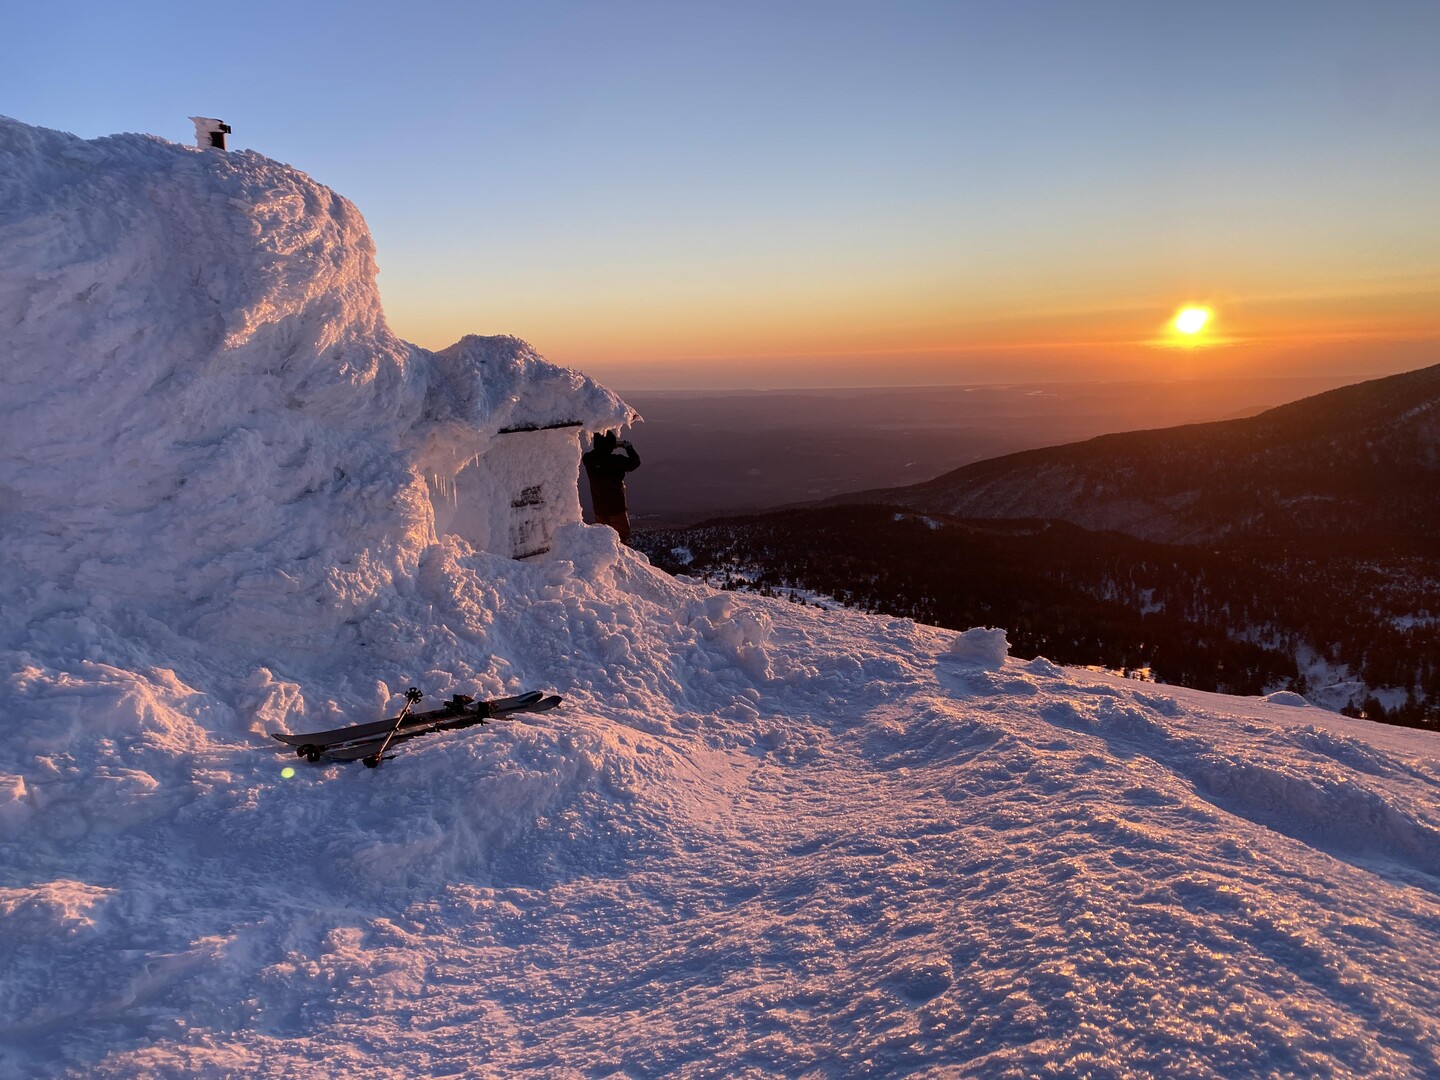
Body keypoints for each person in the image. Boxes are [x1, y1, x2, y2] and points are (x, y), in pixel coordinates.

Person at [582, 430, 641, 542]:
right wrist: (627, 447)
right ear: (610, 445)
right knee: (622, 537)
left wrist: (608, 445)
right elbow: (635, 462)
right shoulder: (616, 461)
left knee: (604, 538)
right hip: (617, 508)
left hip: (599, 507)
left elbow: (593, 454)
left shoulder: (589, 459)